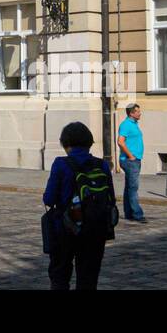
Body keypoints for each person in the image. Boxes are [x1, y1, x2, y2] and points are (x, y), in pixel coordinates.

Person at [42, 121, 116, 290]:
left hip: (66, 228)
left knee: (60, 275)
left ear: (66, 144)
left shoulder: (61, 164)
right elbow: (110, 197)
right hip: (96, 227)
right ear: (89, 143)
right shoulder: (102, 165)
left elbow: (49, 199)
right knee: (88, 278)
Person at [117, 103, 147, 222]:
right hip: (130, 161)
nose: (140, 113)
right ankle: (137, 214)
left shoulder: (134, 124)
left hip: (135, 160)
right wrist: (131, 156)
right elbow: (120, 142)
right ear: (131, 113)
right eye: (137, 111)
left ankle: (129, 213)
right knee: (133, 188)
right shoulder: (125, 125)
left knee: (129, 187)